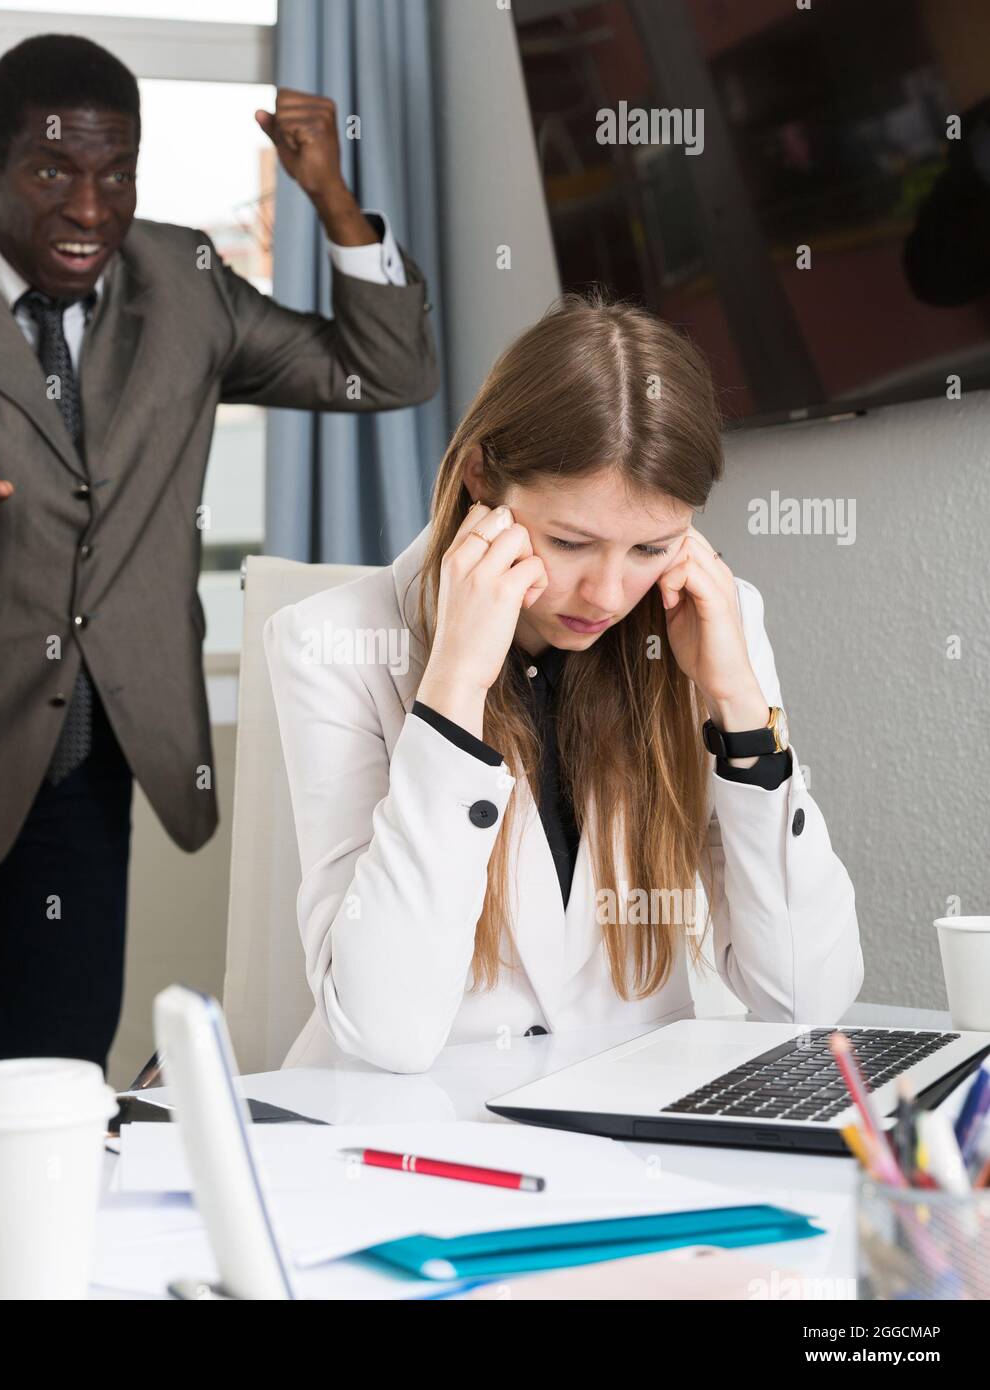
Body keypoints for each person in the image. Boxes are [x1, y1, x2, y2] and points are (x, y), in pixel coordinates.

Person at [0, 33, 438, 1128]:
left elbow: (385, 371)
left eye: (117, 173)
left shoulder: (184, 284)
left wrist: (333, 204)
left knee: (65, 1097)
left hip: (85, 778)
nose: (90, 208)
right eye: (52, 173)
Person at [264, 290, 862, 1074]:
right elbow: (386, 1031)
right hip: (409, 1137)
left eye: (651, 548)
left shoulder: (713, 622)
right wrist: (452, 691)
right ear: (482, 478)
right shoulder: (332, 644)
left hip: (630, 1125)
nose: (609, 596)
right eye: (572, 542)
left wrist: (743, 713)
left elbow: (806, 999)